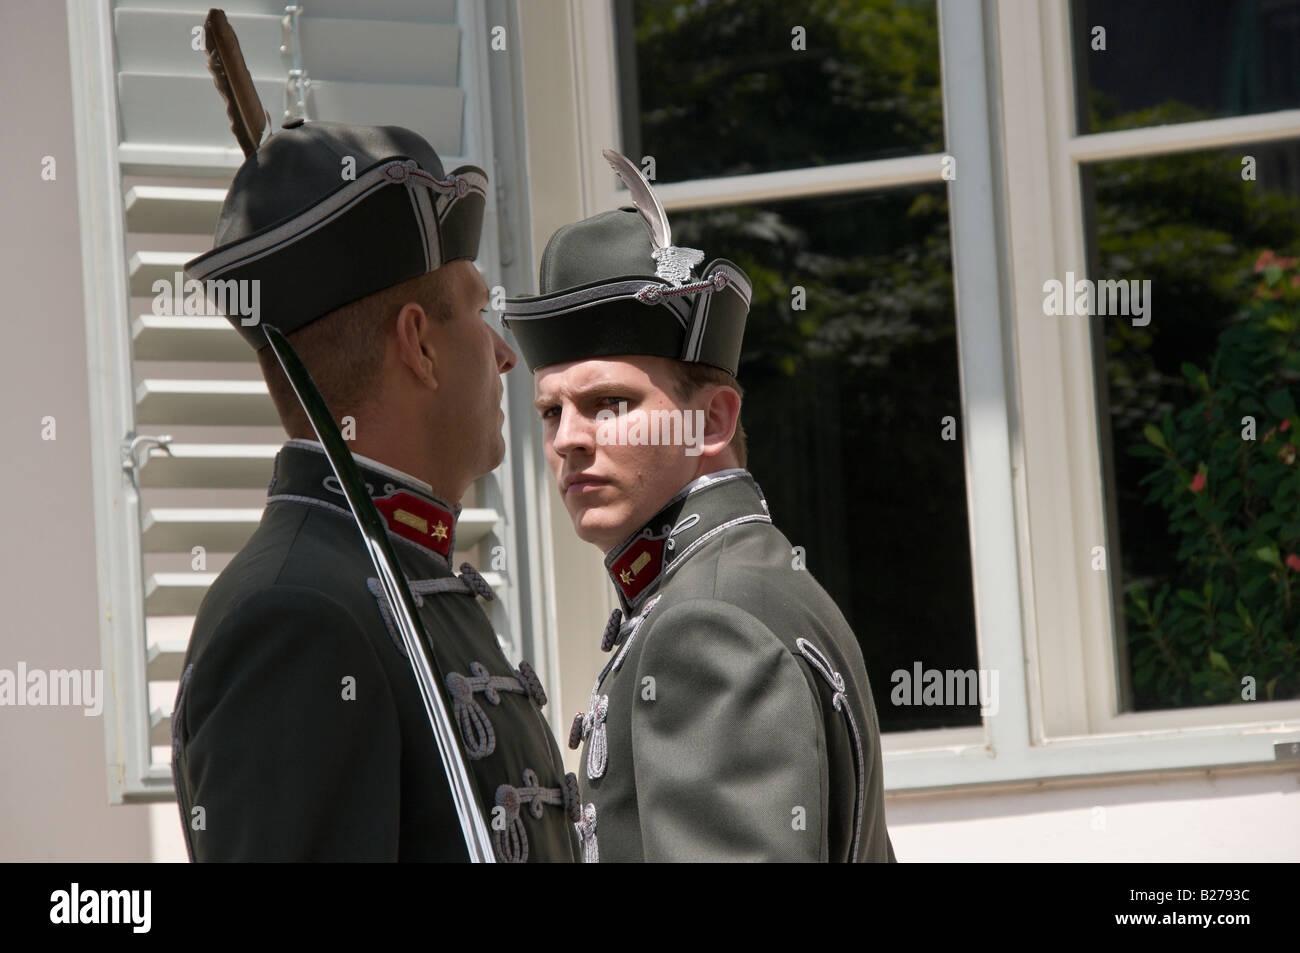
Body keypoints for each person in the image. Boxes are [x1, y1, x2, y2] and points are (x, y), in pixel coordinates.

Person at [171, 118, 579, 862]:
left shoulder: (394, 570)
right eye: (481, 312)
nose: (505, 354)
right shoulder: (295, 616)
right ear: (419, 343)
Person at [502, 153, 896, 862]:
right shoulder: (740, 581)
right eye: (551, 411)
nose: (569, 440)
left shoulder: (704, 623)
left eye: (608, 403)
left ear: (711, 420)